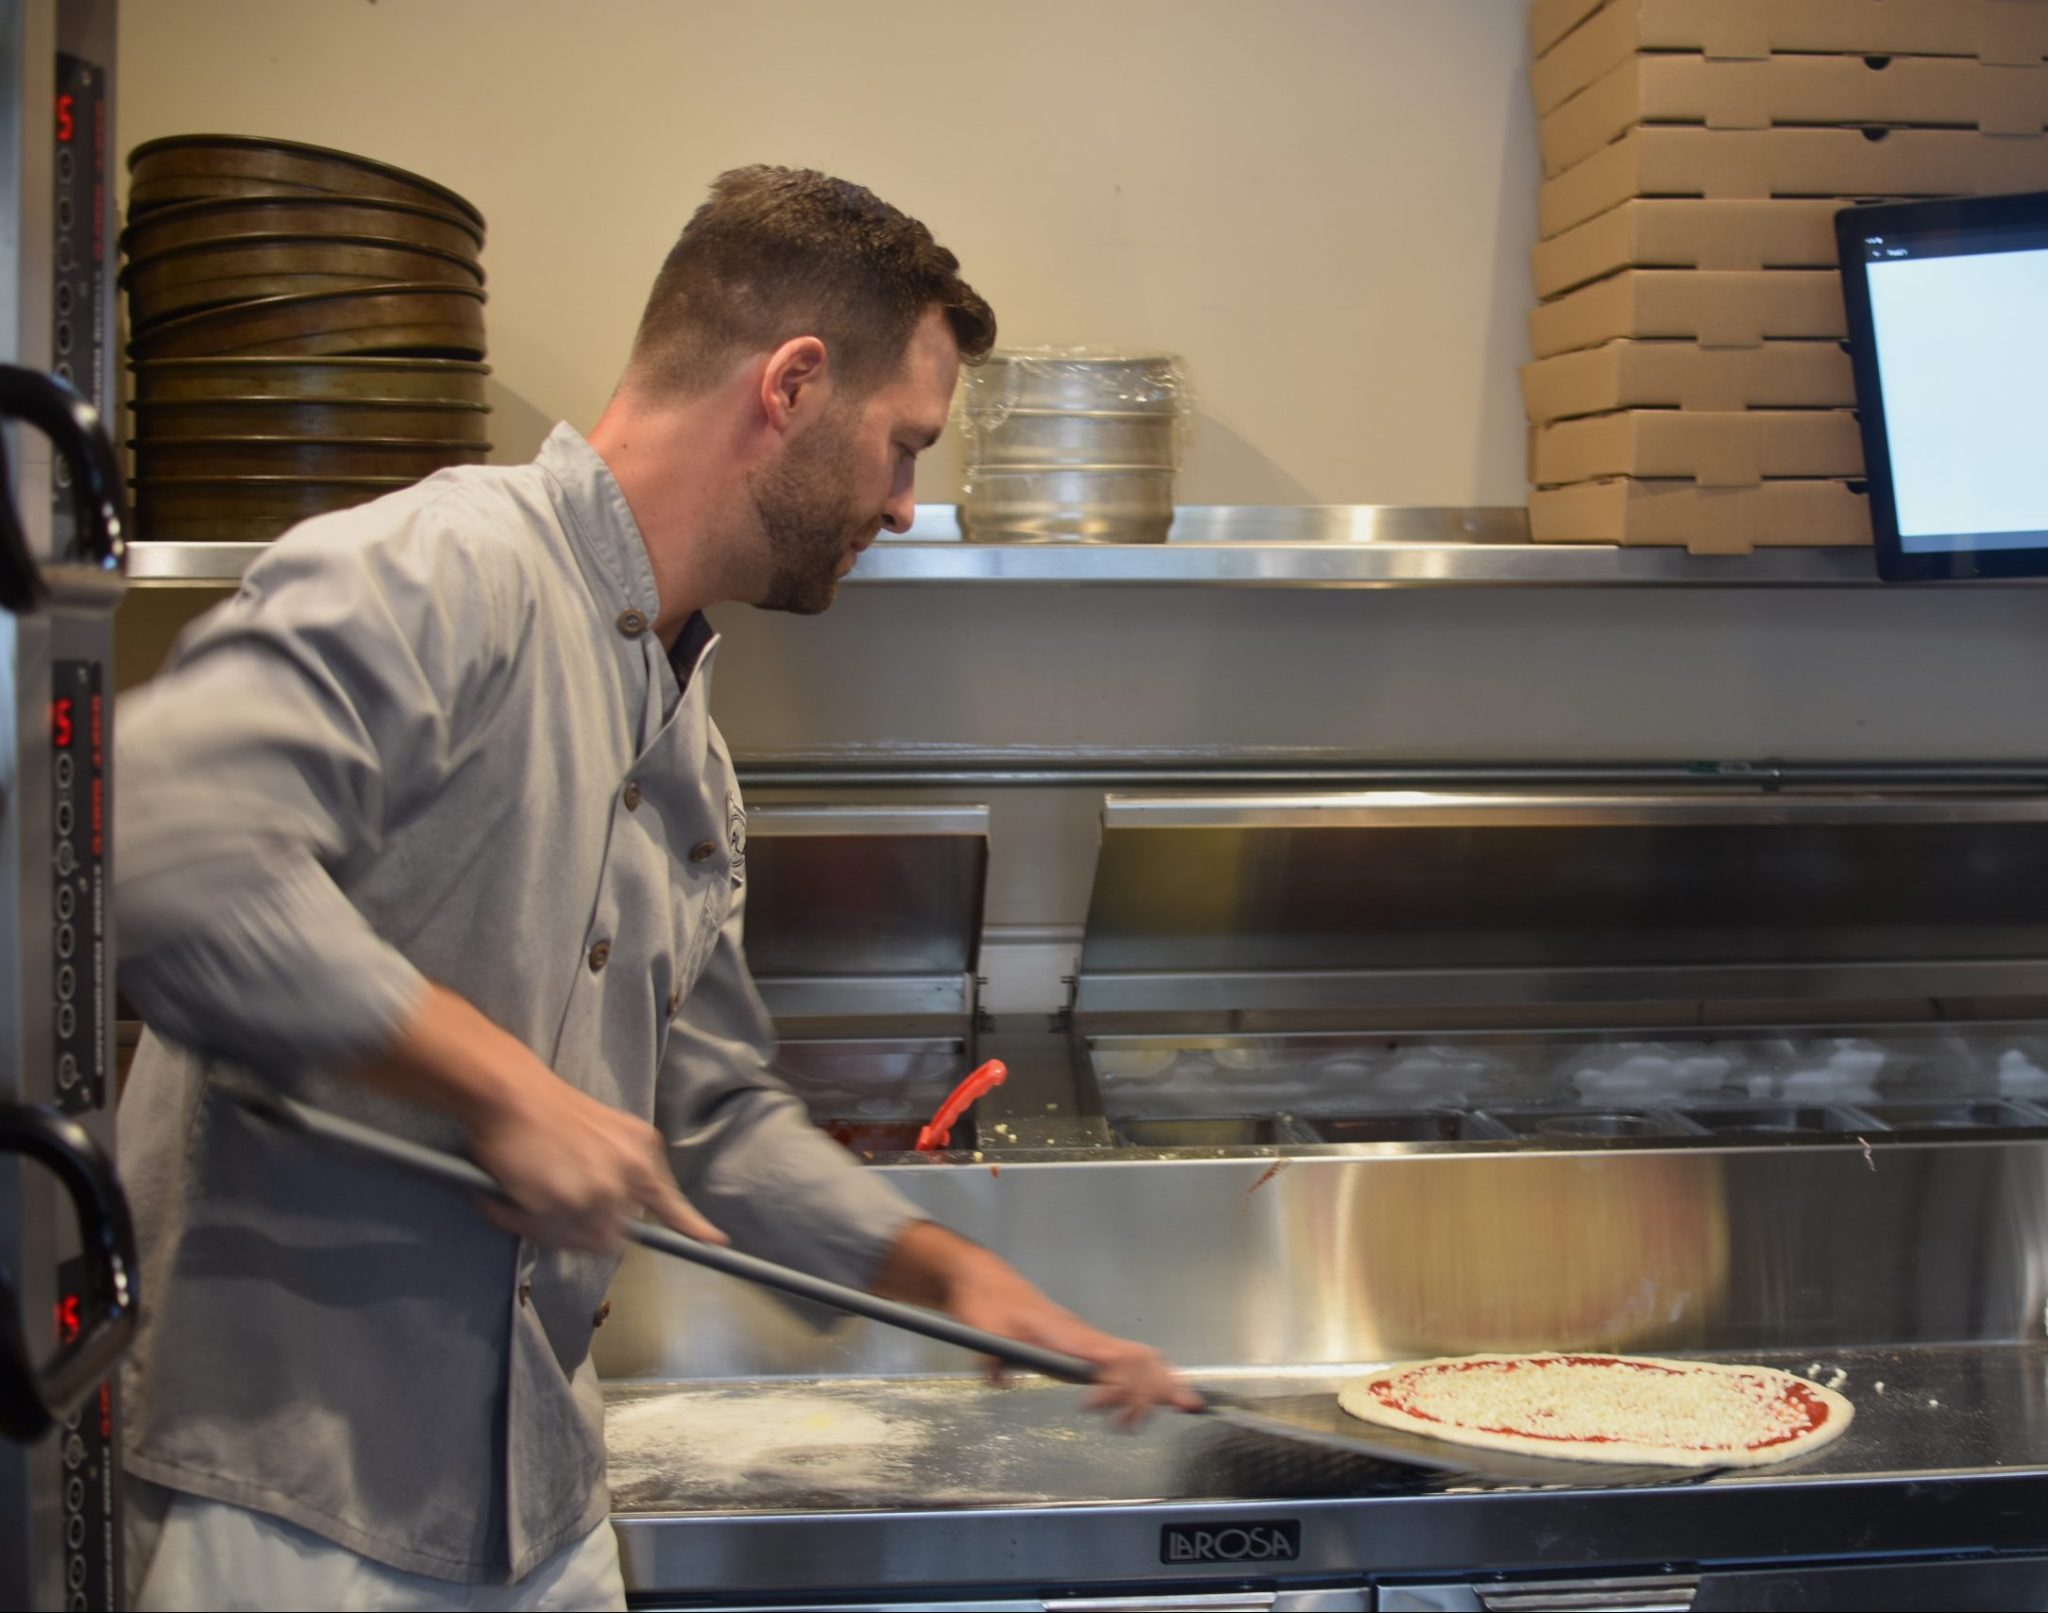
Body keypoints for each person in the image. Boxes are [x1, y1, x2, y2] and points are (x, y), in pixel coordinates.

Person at [114, 164, 1199, 1612]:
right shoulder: (440, 570)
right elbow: (161, 842)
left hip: (543, 1511)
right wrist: (500, 1085)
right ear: (794, 384)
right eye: (901, 445)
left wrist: (943, 1269)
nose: (903, 498)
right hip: (294, 1507)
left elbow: (709, 1113)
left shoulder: (688, 745)